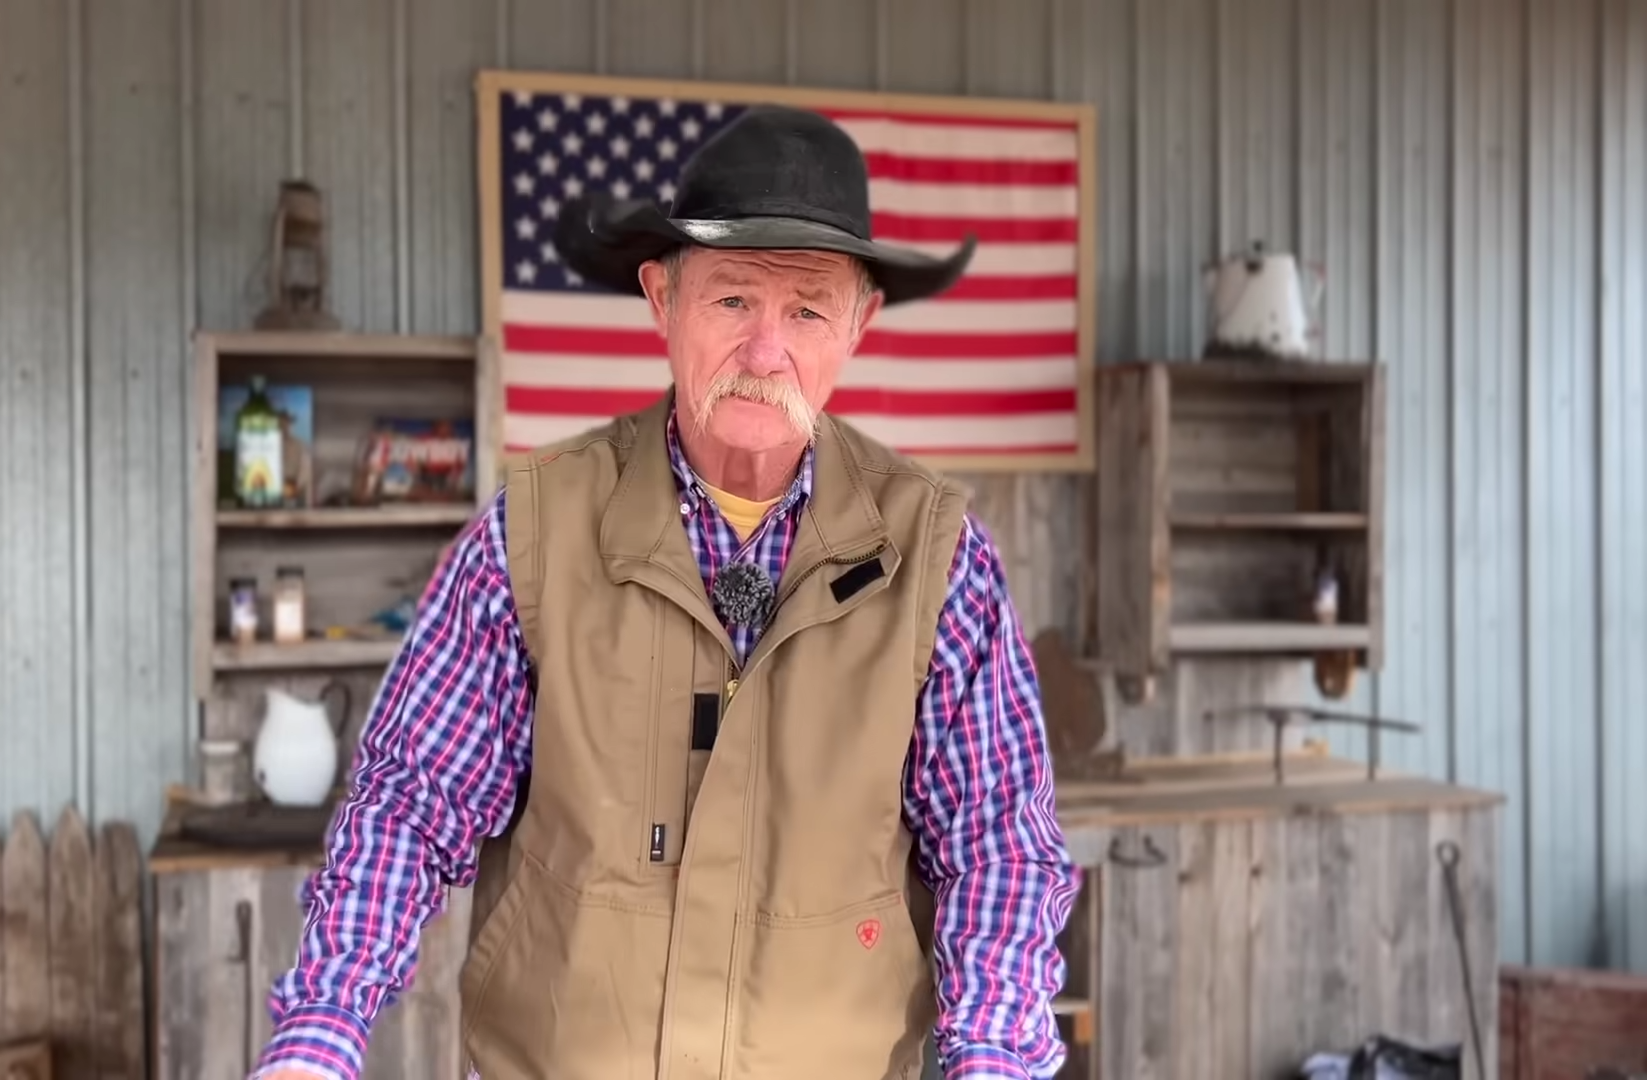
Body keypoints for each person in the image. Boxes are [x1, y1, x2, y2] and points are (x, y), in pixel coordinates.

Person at [250, 104, 1080, 1080]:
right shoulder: (532, 531)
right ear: (662, 299)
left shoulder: (939, 561)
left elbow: (997, 847)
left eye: (808, 309)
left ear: (858, 325)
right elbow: (411, 802)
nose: (767, 353)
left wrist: (992, 1060)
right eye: (733, 301)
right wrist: (320, 1035)